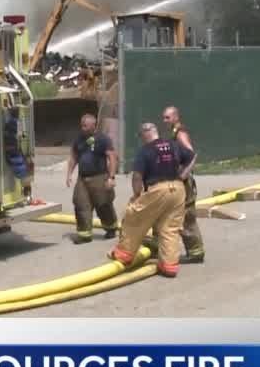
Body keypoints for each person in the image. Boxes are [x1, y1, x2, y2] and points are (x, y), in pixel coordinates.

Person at [108, 122, 195, 278]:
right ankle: (169, 266)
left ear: (145, 134)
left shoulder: (145, 150)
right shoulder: (173, 144)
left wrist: (136, 195)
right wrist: (184, 175)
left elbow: (137, 176)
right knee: (170, 228)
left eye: (141, 136)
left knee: (134, 217)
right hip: (177, 189)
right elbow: (192, 155)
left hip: (157, 189)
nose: (141, 139)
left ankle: (124, 254)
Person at [66, 113, 119, 243]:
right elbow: (74, 157)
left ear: (93, 126)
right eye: (81, 125)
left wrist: (111, 177)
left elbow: (112, 157)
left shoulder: (103, 139)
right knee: (80, 204)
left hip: (100, 177)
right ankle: (84, 235)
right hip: (82, 179)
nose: (82, 128)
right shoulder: (79, 139)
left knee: (103, 204)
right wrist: (69, 174)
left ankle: (110, 228)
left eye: (85, 125)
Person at [161, 105, 204, 263]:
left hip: (184, 182)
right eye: (164, 117)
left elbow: (191, 154)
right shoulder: (174, 132)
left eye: (167, 117)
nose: (164, 120)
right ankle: (194, 251)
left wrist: (184, 175)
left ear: (176, 117)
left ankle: (196, 252)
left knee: (186, 216)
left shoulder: (180, 133)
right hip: (178, 179)